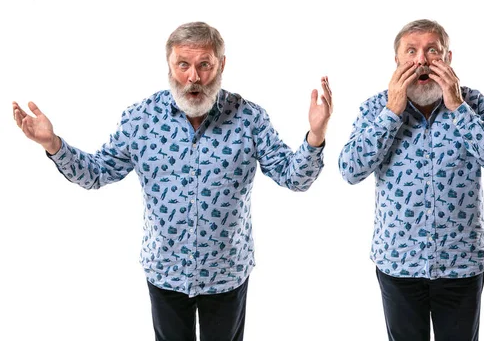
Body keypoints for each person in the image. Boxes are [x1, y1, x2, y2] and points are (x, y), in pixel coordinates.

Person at [12, 22, 333, 341]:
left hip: (226, 274)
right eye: (184, 65)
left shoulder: (249, 119)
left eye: (204, 65)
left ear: (221, 64)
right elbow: (96, 172)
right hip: (164, 272)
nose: (193, 77)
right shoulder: (141, 119)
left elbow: (293, 178)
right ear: (170, 65)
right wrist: (52, 143)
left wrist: (315, 135)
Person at [338, 19, 484, 341]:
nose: (421, 60)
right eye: (411, 51)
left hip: (462, 262)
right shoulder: (375, 107)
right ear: (397, 60)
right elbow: (351, 170)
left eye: (432, 50)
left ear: (448, 58)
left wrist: (457, 105)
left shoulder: (474, 104)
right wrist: (392, 111)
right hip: (398, 262)